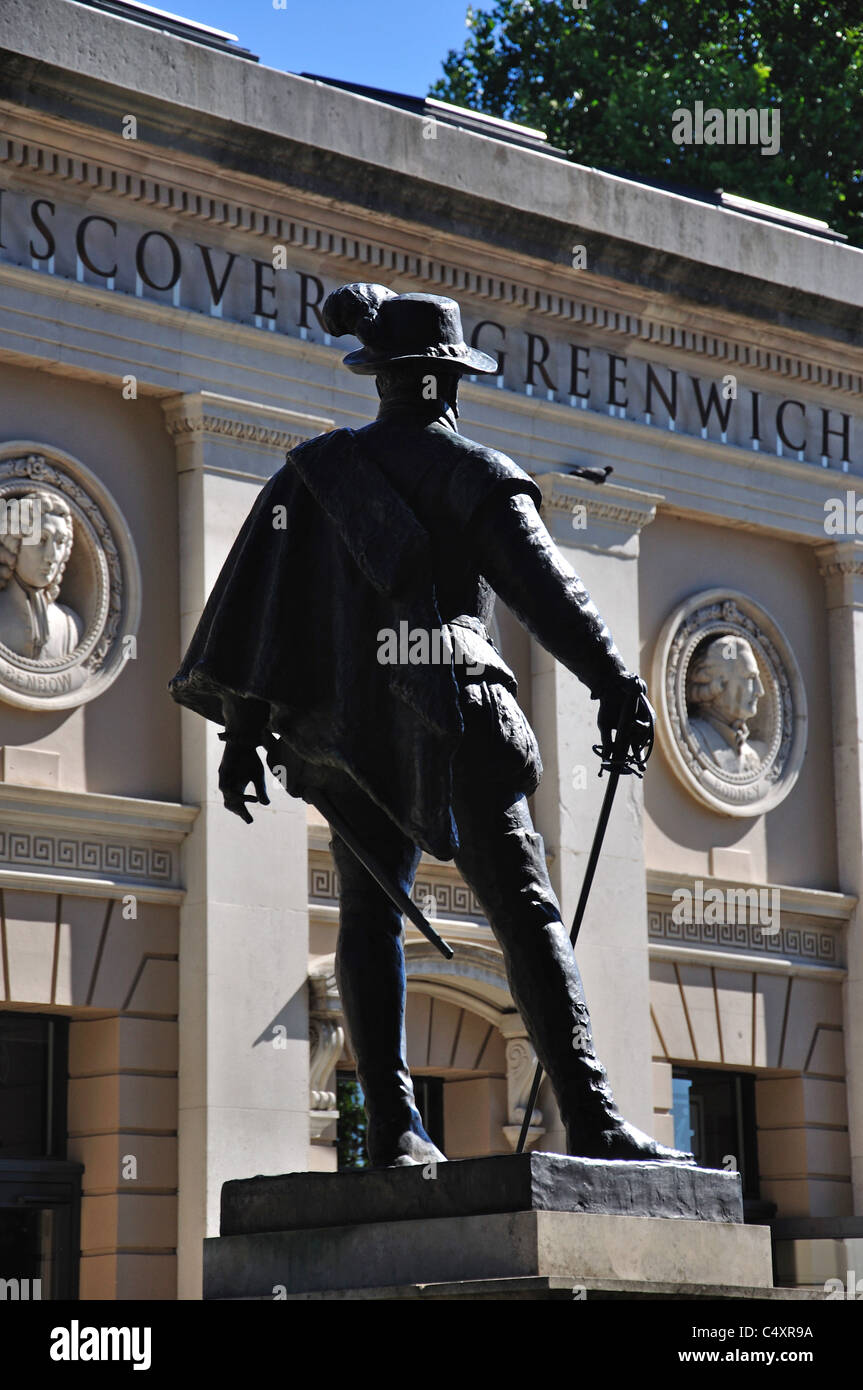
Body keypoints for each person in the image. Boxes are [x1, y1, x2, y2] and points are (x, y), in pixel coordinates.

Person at [170, 283, 694, 1168]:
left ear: (378, 376)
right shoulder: (472, 473)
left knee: (367, 915)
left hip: (347, 733)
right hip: (454, 711)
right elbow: (547, 590)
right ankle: (594, 1117)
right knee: (524, 909)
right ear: (450, 380)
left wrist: (247, 732)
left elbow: (264, 613)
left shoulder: (312, 473)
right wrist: (615, 682)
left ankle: (395, 1131)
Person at [0, 489, 82, 660]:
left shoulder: (71, 626)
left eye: (60, 542)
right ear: (15, 545)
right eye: (41, 540)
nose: (52, 556)